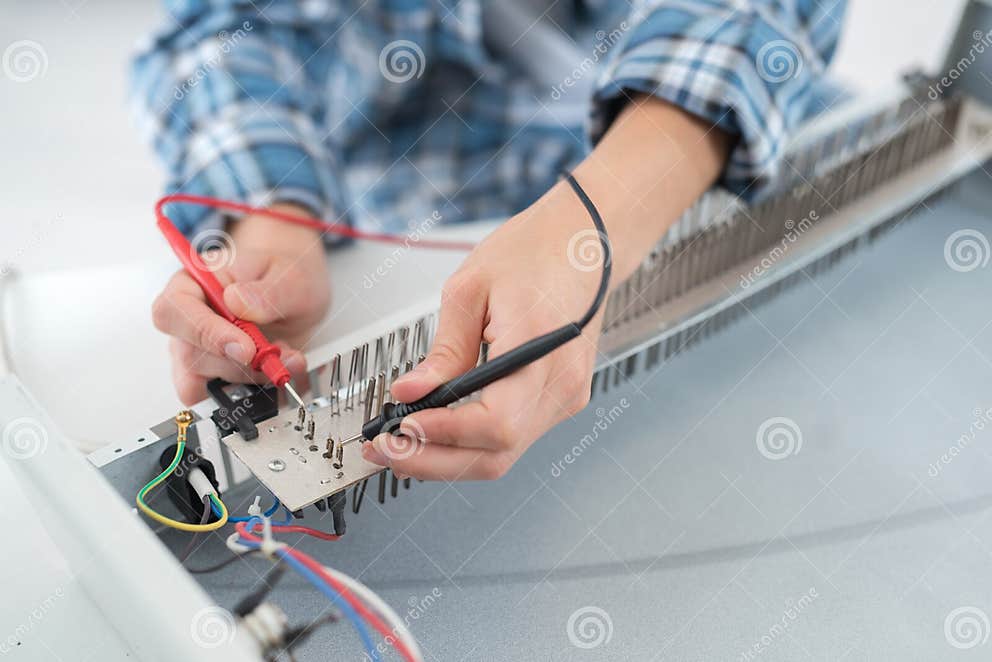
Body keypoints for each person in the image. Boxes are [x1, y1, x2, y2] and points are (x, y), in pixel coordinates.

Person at [133, 0, 846, 481]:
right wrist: (275, 219)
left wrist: (592, 226)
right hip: (430, 207)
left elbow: (762, 23)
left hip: (763, 204)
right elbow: (229, 34)